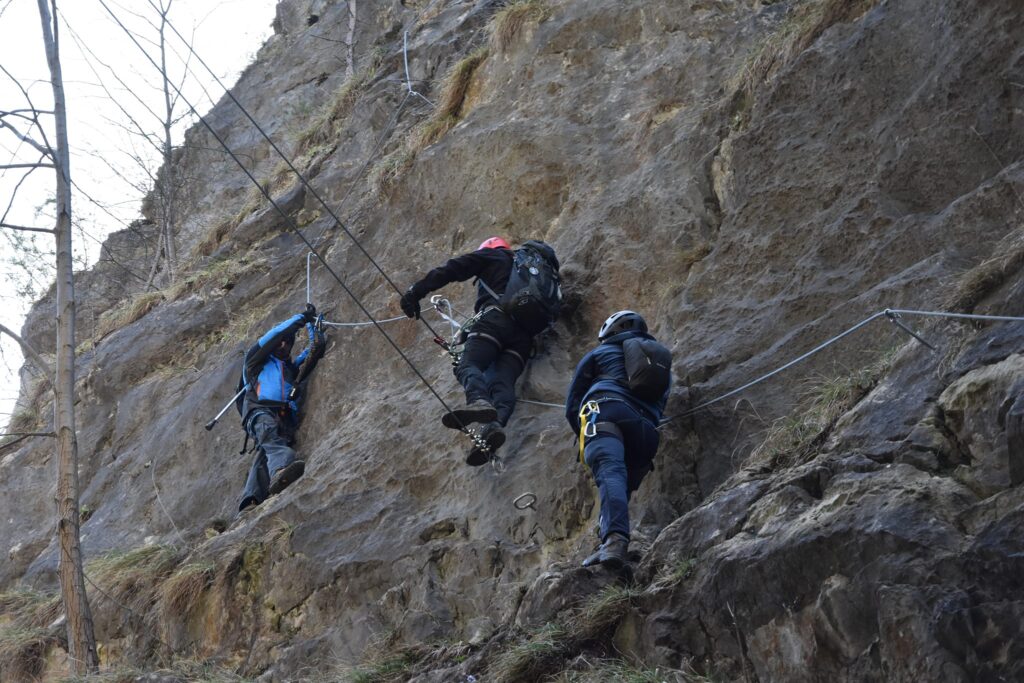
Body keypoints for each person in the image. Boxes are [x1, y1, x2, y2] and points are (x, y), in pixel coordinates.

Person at [400, 237, 560, 465]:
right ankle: (494, 426)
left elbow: (452, 269)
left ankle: (479, 401)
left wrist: (416, 291)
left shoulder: (494, 255)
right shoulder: (533, 274)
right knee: (502, 382)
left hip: (494, 322)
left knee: (468, 365)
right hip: (524, 338)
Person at [565, 311, 671, 569]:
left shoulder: (601, 353)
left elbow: (572, 403)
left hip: (606, 412)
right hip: (646, 432)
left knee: (610, 472)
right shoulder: (659, 362)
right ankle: (609, 543)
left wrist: (583, 433)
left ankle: (615, 542)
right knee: (620, 485)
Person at [237, 304, 326, 514]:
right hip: (260, 410)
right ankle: (280, 470)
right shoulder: (255, 361)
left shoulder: (289, 368)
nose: (284, 345)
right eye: (281, 342)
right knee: (272, 441)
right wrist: (302, 318)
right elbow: (276, 334)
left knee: (266, 452)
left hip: (282, 418)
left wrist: (315, 329)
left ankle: (250, 501)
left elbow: (313, 352)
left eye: (288, 343)